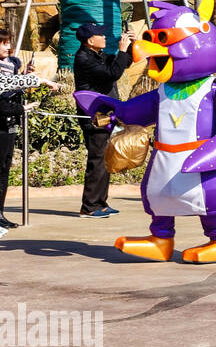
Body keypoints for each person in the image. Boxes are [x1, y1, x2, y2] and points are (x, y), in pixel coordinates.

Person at [0, 28, 61, 230]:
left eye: (9, 42)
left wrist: (26, 76)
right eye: (4, 43)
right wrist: (39, 81)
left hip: (8, 124)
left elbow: (13, 83)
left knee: (4, 170)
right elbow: (5, 84)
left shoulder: (9, 66)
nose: (8, 47)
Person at [73, 22, 133, 218]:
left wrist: (130, 45)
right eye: (101, 35)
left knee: (105, 158)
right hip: (93, 115)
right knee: (97, 158)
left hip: (106, 113)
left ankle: (101, 202)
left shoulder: (97, 55)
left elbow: (122, 63)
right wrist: (122, 50)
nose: (105, 37)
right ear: (90, 41)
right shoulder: (83, 58)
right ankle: (89, 206)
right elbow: (112, 73)